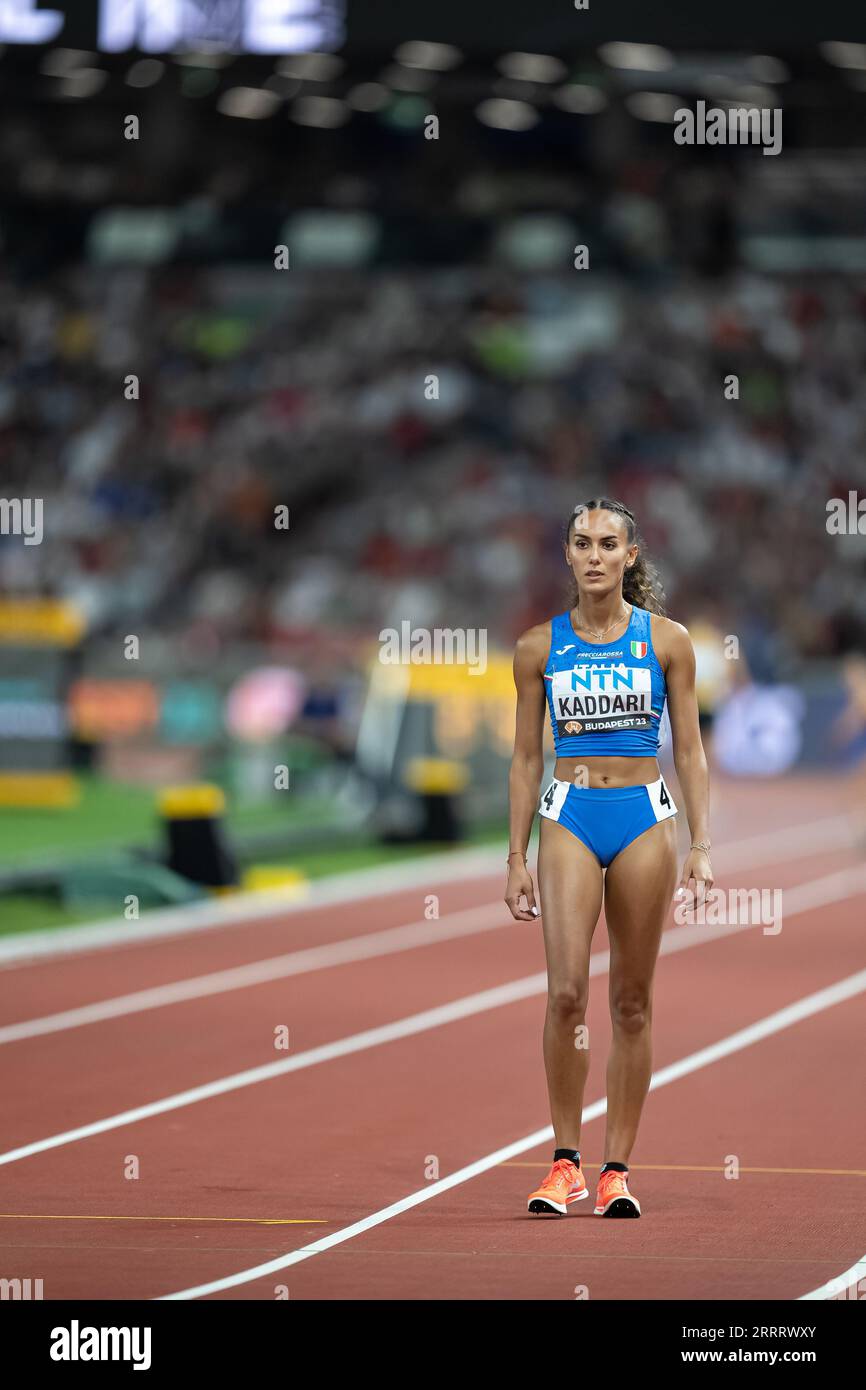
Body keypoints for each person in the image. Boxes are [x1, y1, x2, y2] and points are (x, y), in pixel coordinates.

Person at [505, 498, 713, 1217]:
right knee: (566, 995)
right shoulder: (538, 647)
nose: (594, 555)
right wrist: (514, 856)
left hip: (642, 820)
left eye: (608, 544)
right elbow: (526, 757)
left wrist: (702, 846)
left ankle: (615, 1171)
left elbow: (688, 749)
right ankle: (564, 1161)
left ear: (631, 556)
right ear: (567, 555)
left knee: (630, 1001)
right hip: (568, 815)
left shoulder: (668, 642)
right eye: (581, 543)